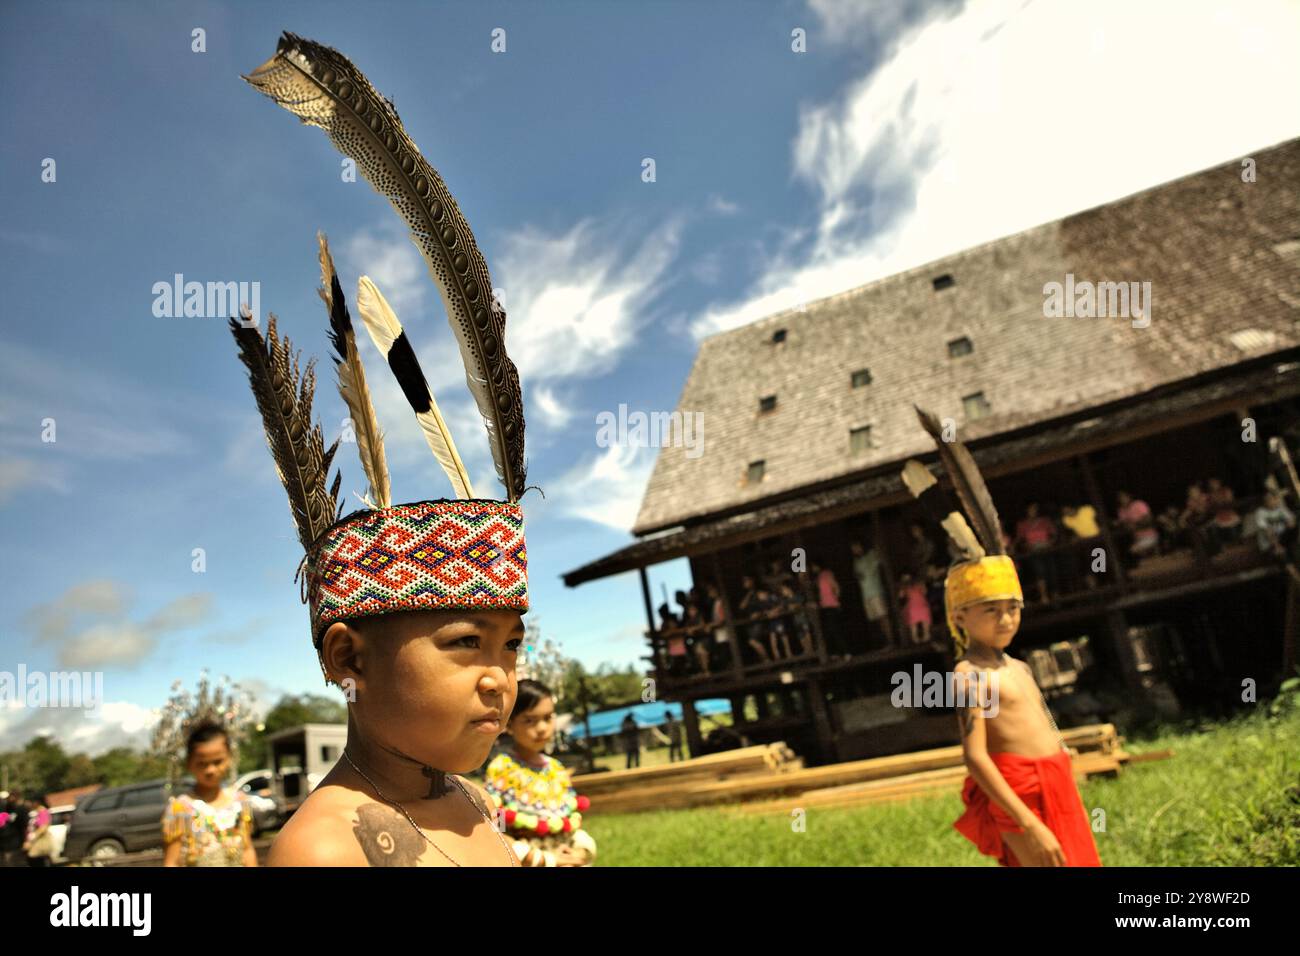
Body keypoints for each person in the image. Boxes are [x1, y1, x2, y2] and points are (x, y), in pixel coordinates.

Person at [229, 115, 533, 862]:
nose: (502, 681)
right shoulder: (326, 850)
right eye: (466, 642)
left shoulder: (472, 799)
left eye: (512, 645)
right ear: (347, 660)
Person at [948, 555, 1101, 866]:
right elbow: (975, 756)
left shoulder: (1020, 667)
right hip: (1020, 793)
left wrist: (1066, 771)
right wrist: (1029, 824)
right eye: (991, 610)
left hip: (1058, 780)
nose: (1005, 619)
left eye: (1012, 609)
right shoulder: (969, 674)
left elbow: (1045, 721)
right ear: (960, 616)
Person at [484, 680, 595, 867]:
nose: (542, 728)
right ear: (509, 724)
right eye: (529, 720)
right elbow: (498, 828)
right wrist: (542, 859)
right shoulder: (501, 769)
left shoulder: (556, 769)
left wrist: (580, 850)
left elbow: (571, 820)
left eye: (548, 717)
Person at [162, 722, 258, 867]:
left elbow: (247, 850)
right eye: (202, 764)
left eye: (217, 762)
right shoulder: (180, 808)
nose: (210, 770)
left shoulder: (239, 802)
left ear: (230, 758)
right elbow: (172, 861)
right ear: (189, 763)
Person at [1014, 502, 1059, 602]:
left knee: (1051, 571)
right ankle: (1044, 596)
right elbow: (1019, 540)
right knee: (1040, 572)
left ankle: (1055, 594)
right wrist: (1027, 546)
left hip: (1047, 549)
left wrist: (1050, 543)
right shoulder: (1023, 524)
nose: (1033, 511)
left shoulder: (1045, 521)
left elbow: (1054, 534)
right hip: (1034, 552)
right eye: (1031, 509)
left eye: (1035, 509)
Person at [850, 541, 890, 642]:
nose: (855, 550)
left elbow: (880, 560)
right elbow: (857, 575)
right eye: (853, 548)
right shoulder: (856, 562)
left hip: (876, 591)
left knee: (883, 617)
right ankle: (886, 641)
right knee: (877, 619)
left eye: (856, 546)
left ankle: (891, 640)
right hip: (866, 594)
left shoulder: (871, 555)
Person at [813, 562, 848, 660]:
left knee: (835, 629)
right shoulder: (818, 577)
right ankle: (835, 653)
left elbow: (836, 587)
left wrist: (836, 599)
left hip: (832, 605)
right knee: (829, 630)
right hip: (825, 606)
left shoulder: (827, 574)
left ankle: (845, 652)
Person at [1115, 491, 1159, 561]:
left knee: (1132, 552)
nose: (1123, 499)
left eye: (1124, 497)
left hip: (1149, 537)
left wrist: (1136, 526)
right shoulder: (1121, 511)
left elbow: (1150, 520)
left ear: (1129, 496)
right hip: (1135, 540)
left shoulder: (1138, 504)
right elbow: (1124, 525)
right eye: (1120, 498)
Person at [1252, 490, 1297, 558]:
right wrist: (1277, 546)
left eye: (1274, 498)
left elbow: (1291, 523)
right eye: (1269, 499)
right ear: (1264, 501)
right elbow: (1267, 531)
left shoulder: (1281, 509)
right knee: (1280, 553)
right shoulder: (1260, 513)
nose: (1273, 501)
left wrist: (1290, 521)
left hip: (1283, 539)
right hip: (1269, 544)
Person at [737, 575, 771, 664]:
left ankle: (766, 659)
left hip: (761, 620)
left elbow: (767, 604)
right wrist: (749, 594)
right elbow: (742, 607)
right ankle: (764, 659)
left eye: (747, 581)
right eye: (744, 581)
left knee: (753, 641)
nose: (746, 583)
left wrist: (760, 613)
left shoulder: (760, 592)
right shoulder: (746, 595)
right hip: (751, 622)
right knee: (752, 641)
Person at [1205, 478, 1242, 549]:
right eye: (1211, 483)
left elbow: (1230, 501)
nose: (1213, 484)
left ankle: (1236, 543)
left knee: (1233, 528)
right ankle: (1220, 546)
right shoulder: (1210, 494)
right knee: (1211, 527)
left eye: (1215, 482)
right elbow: (1210, 506)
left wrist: (1221, 502)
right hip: (1219, 517)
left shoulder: (1226, 490)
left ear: (1219, 482)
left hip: (1230, 515)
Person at [898, 573, 931, 645]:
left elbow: (901, 596)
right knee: (923, 621)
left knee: (913, 624)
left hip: (914, 606)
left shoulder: (905, 586)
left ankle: (916, 638)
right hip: (921, 604)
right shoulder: (918, 584)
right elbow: (925, 592)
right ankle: (924, 636)